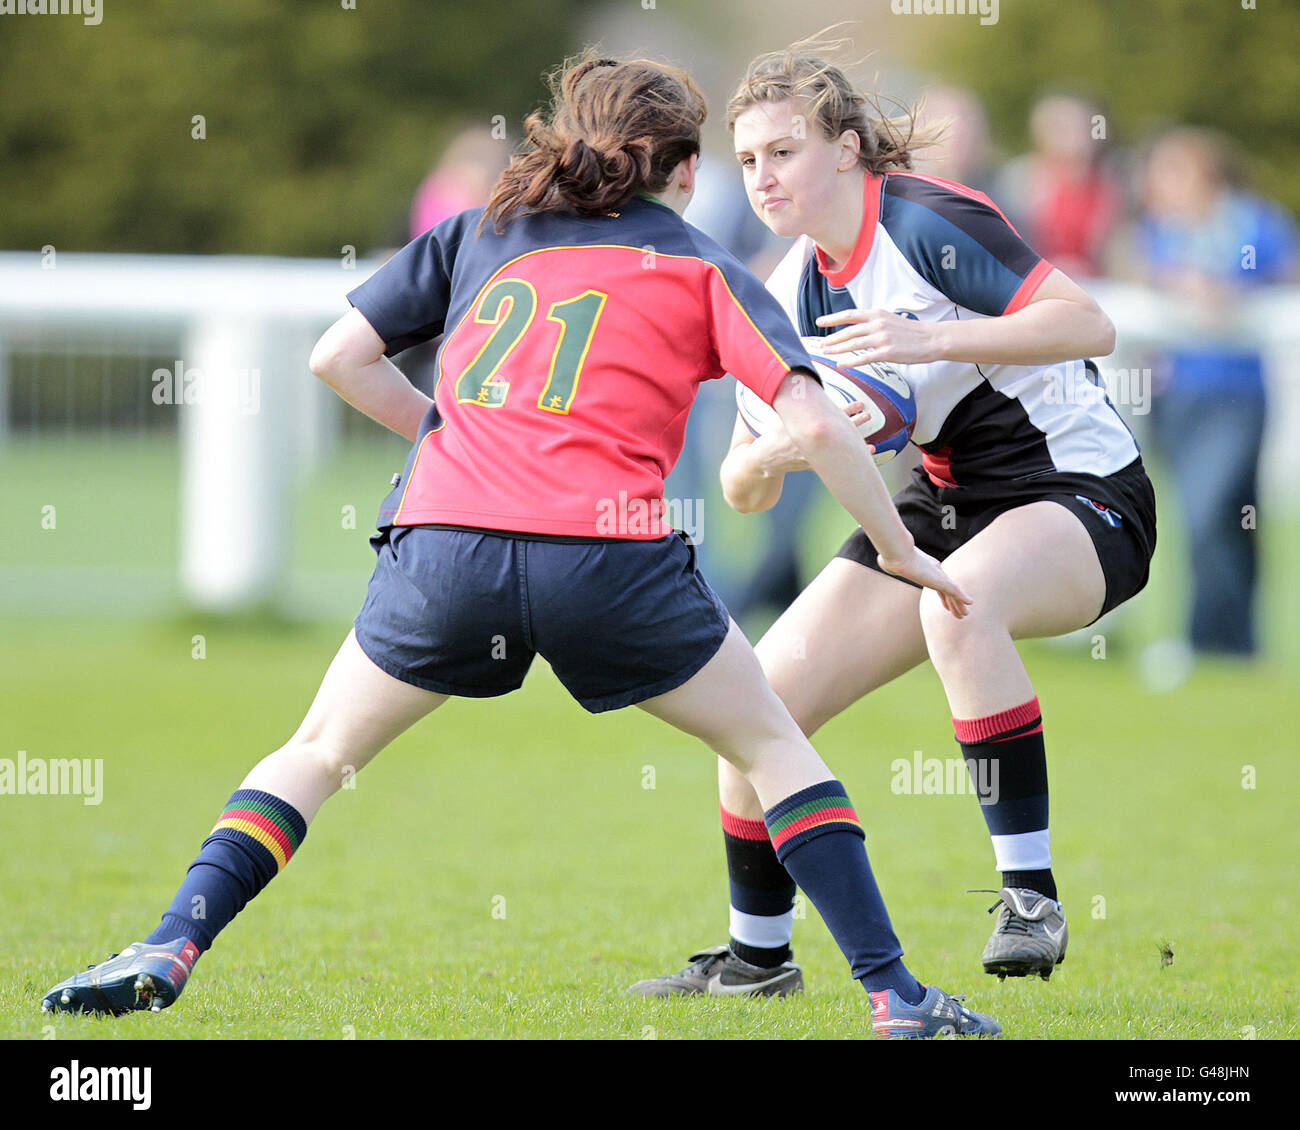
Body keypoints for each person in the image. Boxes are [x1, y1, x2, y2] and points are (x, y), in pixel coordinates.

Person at [39, 51, 998, 1039]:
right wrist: (896, 548)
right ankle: (897, 997)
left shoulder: (477, 231)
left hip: (444, 545)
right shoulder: (699, 261)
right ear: (682, 171)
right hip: (607, 556)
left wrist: (445, 440)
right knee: (767, 743)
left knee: (318, 750)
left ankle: (170, 939)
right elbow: (823, 424)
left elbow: (339, 356)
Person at [628, 37, 1157, 998]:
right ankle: (757, 958)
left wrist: (931, 336)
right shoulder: (784, 289)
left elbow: (1090, 324)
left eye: (782, 151)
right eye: (746, 160)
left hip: (1081, 491)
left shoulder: (926, 222)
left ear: (845, 150)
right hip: (938, 503)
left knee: (962, 601)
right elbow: (744, 488)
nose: (762, 178)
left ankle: (1029, 897)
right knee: (756, 705)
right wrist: (781, 449)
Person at [1133, 126, 1297, 659]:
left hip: (1238, 393)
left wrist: (1225, 289)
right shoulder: (1162, 229)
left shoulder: (1253, 220)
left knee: (1219, 512)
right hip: (1180, 394)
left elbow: (1275, 273)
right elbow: (1144, 272)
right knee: (1205, 518)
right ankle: (1233, 647)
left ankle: (1211, 641)